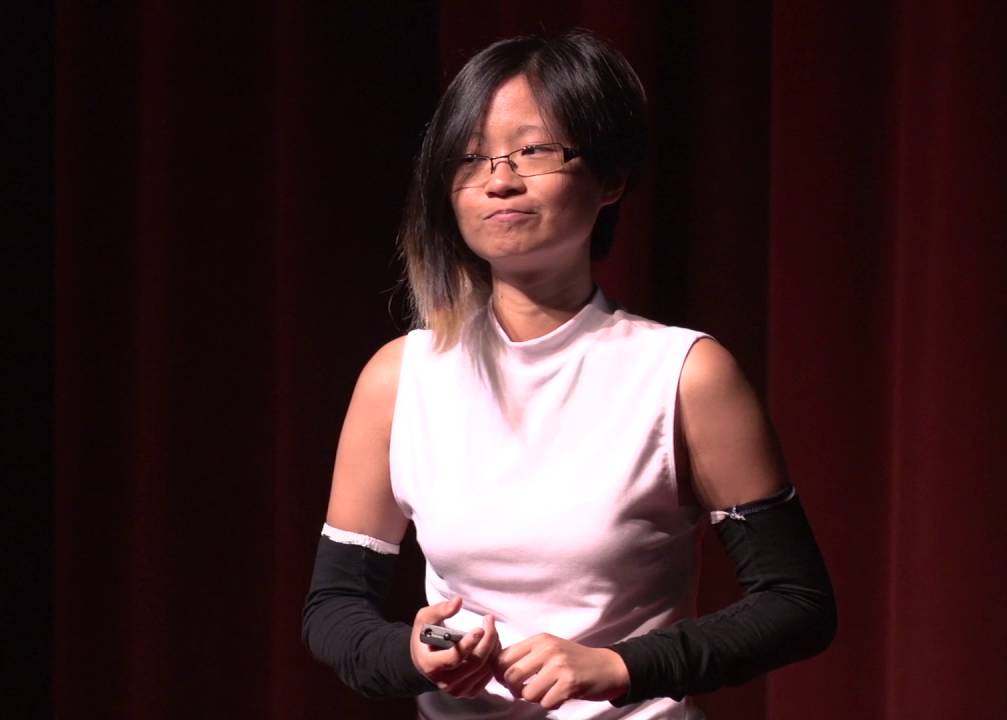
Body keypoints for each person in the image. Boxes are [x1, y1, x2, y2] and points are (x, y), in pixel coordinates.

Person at [302, 29, 835, 719]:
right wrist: (412, 652)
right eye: (472, 157)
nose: (499, 179)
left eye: (533, 150)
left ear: (610, 178)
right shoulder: (400, 378)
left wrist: (620, 666)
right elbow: (334, 608)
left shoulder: (684, 374)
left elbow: (796, 603)